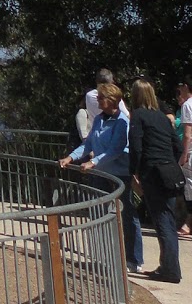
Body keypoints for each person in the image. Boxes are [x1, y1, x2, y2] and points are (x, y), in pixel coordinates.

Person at [60, 83, 143, 271]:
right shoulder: (98, 119)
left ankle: (133, 259)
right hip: (100, 173)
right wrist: (70, 157)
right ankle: (106, 257)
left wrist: (93, 162)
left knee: (127, 214)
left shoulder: (122, 121)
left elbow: (116, 149)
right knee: (100, 214)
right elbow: (88, 144)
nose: (97, 101)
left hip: (119, 174)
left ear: (111, 100)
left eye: (101, 98)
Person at [129, 79, 184, 284]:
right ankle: (169, 266)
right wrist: (168, 160)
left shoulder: (138, 116)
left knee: (162, 222)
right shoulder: (162, 117)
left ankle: (170, 271)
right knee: (168, 220)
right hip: (169, 172)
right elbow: (178, 147)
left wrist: (134, 172)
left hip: (152, 174)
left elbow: (136, 148)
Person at [175, 79, 192, 237]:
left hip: (191, 152)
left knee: (189, 189)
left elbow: (187, 134)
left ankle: (188, 223)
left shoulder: (188, 105)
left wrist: (184, 155)